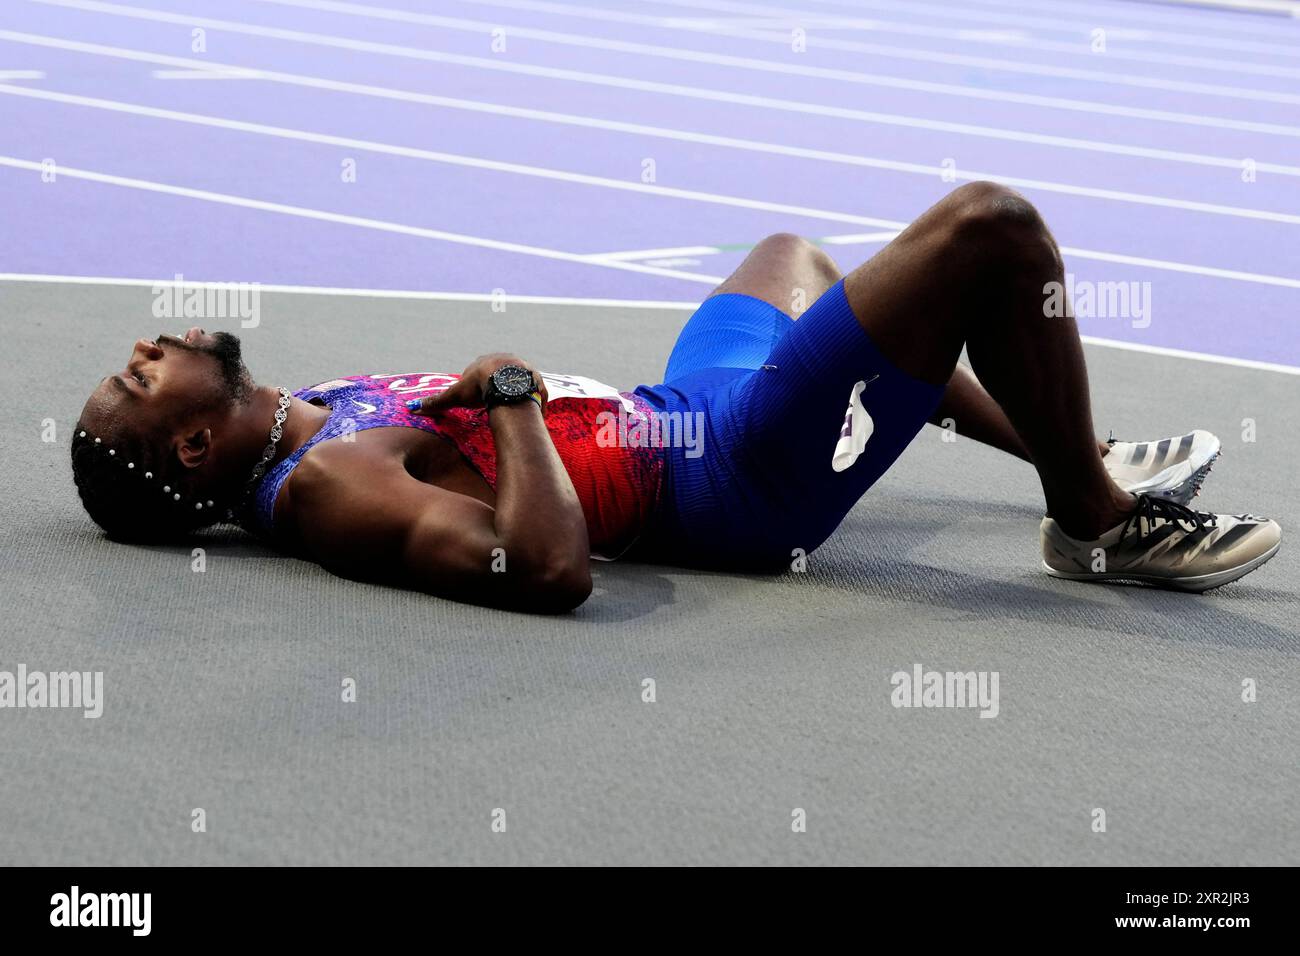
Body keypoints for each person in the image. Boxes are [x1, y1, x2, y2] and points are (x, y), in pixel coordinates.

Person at [70, 183, 1281, 613]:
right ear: (188, 440)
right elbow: (540, 571)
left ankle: (1081, 446)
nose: (149, 342)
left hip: (679, 402)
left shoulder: (306, 412)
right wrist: (507, 399)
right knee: (986, 233)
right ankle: (1098, 520)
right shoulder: (327, 485)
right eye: (140, 372)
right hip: (730, 477)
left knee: (791, 255)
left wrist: (513, 402)